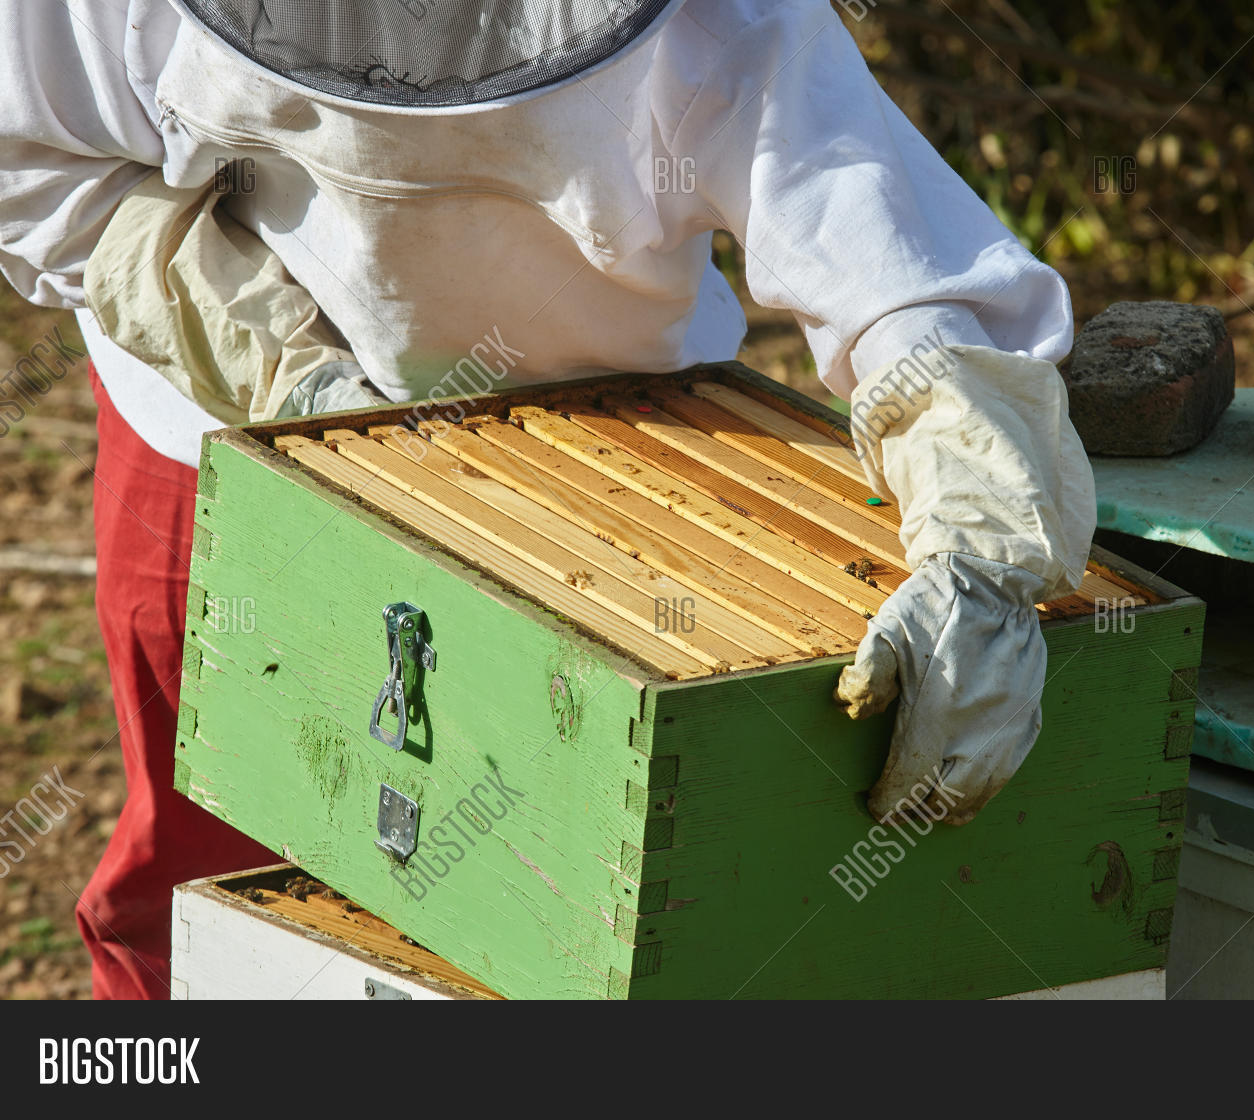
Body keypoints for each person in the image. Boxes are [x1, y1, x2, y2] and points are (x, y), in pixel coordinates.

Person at [0, 0, 1094, 999]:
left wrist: (978, 546)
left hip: (615, 463)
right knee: (202, 864)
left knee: (547, 894)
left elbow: (894, 271)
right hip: (217, 425)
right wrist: (278, 366)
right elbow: (32, 161)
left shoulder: (728, 22)